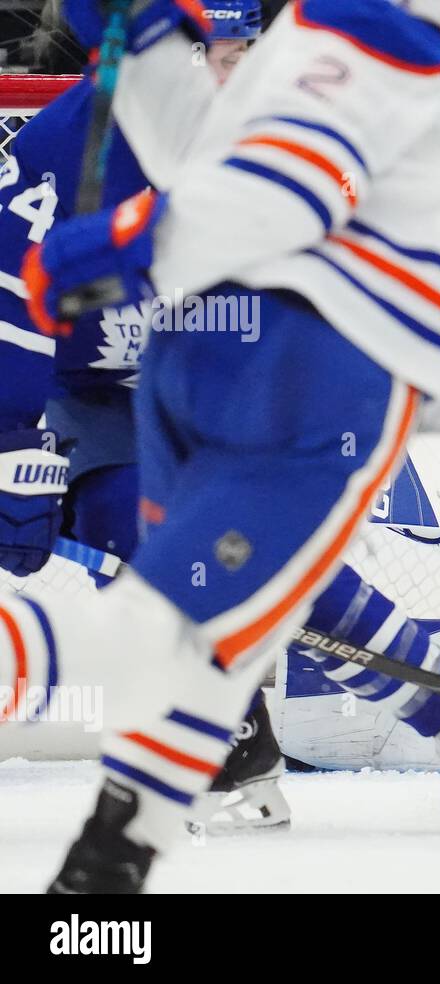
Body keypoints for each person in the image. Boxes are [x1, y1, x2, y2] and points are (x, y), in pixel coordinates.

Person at [3, 0, 440, 894]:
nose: (236, 57)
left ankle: (133, 834)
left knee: (199, 619)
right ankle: (141, 825)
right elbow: (248, 180)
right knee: (193, 613)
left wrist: (131, 242)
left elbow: (266, 190)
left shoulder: (354, 49)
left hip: (264, 373)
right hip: (271, 385)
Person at [0, 0, 295, 832]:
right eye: (213, 52)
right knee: (137, 523)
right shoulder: (63, 147)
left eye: (245, 53)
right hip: (83, 387)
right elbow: (11, 302)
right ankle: (228, 739)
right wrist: (11, 438)